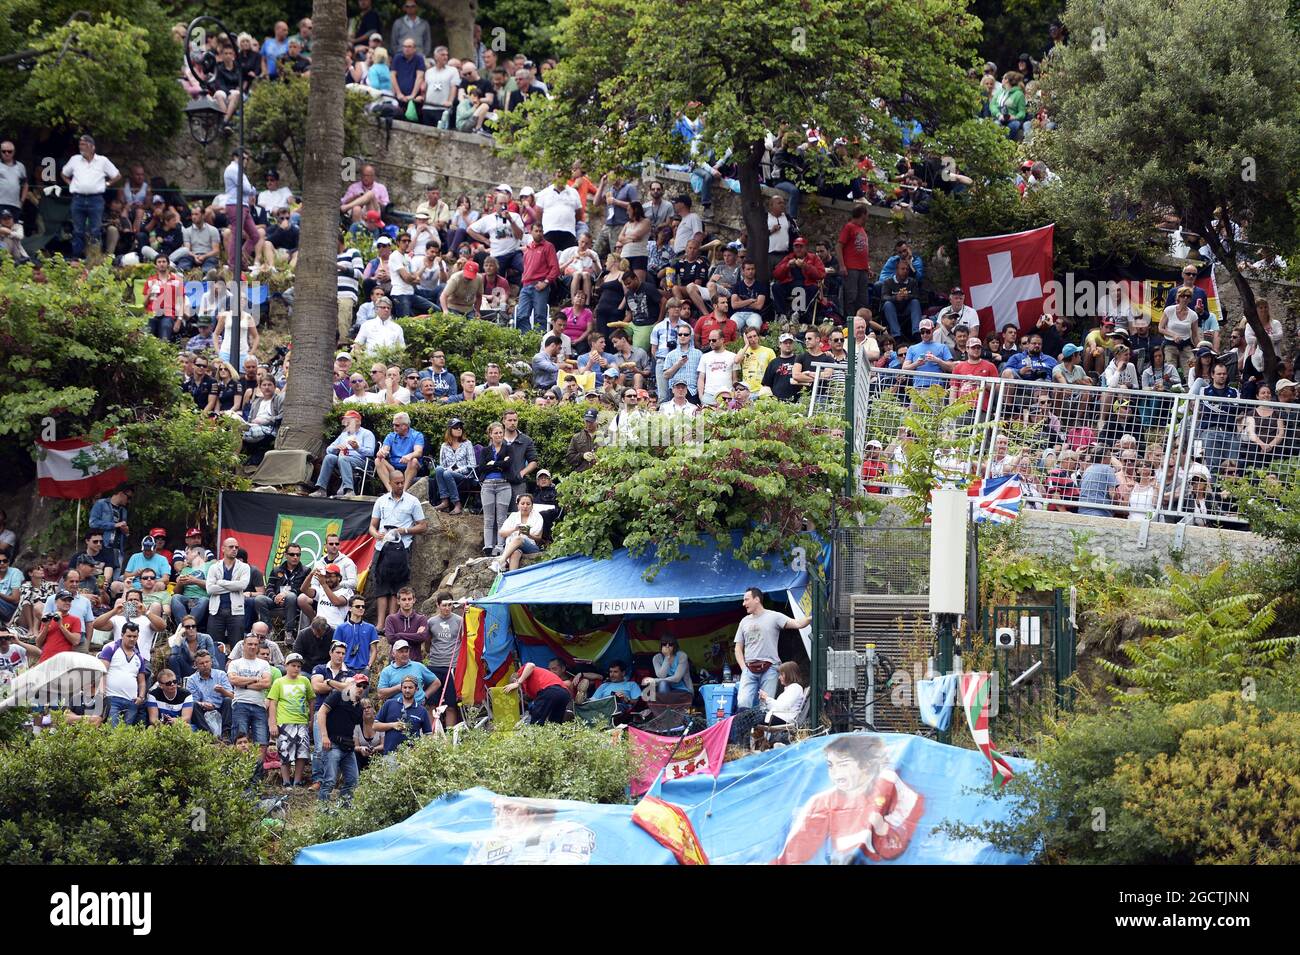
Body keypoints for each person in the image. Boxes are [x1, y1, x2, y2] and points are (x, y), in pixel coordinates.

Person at [774, 734, 925, 864]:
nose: (835, 772)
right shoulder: (822, 802)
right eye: (830, 765)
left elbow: (900, 841)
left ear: (866, 766)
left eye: (843, 764)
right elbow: (796, 850)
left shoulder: (890, 786)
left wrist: (882, 828)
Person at [734, 587, 810, 710]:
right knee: (743, 702)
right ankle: (746, 729)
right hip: (749, 668)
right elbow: (738, 648)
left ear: (757, 599)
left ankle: (764, 730)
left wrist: (813, 616)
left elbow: (798, 624)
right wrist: (744, 669)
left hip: (770, 668)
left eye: (746, 600)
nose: (743, 604)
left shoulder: (774, 616)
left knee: (766, 705)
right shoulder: (744, 622)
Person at [368, 470, 427, 626]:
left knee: (397, 586)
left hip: (402, 548)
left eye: (402, 482)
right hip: (382, 546)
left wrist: (404, 530)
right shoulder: (381, 501)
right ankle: (380, 624)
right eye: (397, 483)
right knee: (381, 585)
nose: (401, 485)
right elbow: (372, 526)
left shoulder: (412, 501)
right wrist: (376, 534)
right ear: (390, 483)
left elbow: (423, 526)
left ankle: (391, 622)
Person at [61, 135, 121, 260]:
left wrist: (107, 184)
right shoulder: (75, 159)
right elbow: (64, 173)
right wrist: (71, 184)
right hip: (78, 198)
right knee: (78, 229)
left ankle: (93, 257)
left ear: (92, 147)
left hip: (96, 199)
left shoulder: (102, 161)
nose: (80, 147)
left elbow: (117, 175)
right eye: (80, 144)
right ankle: (76, 257)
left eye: (83, 144)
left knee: (95, 229)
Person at [316, 673, 369, 802]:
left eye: (364, 686)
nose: (361, 688)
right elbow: (322, 712)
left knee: (353, 781)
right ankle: (323, 812)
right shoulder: (338, 696)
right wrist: (324, 736)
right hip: (332, 744)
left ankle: (344, 811)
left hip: (348, 747)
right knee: (329, 781)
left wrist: (359, 746)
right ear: (351, 685)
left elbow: (356, 729)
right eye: (359, 685)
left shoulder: (359, 706)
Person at [268, 654, 315, 786]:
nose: (296, 668)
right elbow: (273, 703)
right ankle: (286, 781)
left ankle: (297, 780)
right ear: (286, 666)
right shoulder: (279, 682)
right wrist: (273, 723)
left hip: (301, 721)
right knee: (285, 751)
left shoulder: (305, 681)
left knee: (302, 751)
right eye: (293, 665)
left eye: (299, 666)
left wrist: (311, 719)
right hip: (284, 720)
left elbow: (311, 700)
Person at [313, 411, 377, 499]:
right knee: (329, 457)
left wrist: (357, 448)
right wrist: (336, 448)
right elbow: (328, 450)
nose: (345, 423)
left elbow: (370, 452)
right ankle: (321, 489)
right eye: (345, 420)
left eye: (348, 420)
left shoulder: (367, 434)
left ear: (358, 421)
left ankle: (349, 491)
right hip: (343, 459)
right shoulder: (343, 435)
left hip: (361, 461)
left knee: (343, 459)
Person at [477, 422, 517, 556]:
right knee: (488, 518)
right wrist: (500, 464)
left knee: (501, 518)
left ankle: (500, 546)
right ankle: (488, 546)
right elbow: (481, 467)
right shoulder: (485, 450)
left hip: (504, 485)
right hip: (488, 485)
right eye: (496, 433)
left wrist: (493, 463)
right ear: (490, 435)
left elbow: (508, 465)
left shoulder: (509, 449)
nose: (499, 435)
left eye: (501, 432)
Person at [98, 624, 149, 726]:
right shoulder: (111, 649)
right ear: (122, 635)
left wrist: (141, 697)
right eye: (129, 636)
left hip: (132, 701)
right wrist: (102, 693)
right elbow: (102, 672)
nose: (132, 639)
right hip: (112, 698)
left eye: (135, 636)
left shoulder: (139, 657)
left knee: (125, 734)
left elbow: (142, 681)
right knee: (113, 732)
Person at [375, 674, 435, 754]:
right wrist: (392, 725)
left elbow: (428, 735)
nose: (407, 690)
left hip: (412, 757)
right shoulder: (389, 704)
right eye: (405, 687)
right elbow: (375, 726)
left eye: (410, 687)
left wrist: (421, 751)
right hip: (390, 755)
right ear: (401, 688)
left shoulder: (422, 710)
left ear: (416, 689)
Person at [503, 660, 572, 725]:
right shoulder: (529, 685)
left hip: (551, 690)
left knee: (536, 721)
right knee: (555, 723)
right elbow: (531, 699)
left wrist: (518, 683)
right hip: (564, 694)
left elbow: (531, 665)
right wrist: (519, 697)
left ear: (515, 680)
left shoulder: (522, 673)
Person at [491, 494, 544, 574]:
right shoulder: (513, 516)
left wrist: (528, 534)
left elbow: (539, 537)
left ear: (532, 506)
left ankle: (501, 560)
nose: (525, 506)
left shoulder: (537, 516)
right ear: (518, 505)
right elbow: (502, 533)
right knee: (515, 553)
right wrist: (514, 529)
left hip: (531, 547)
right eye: (522, 504)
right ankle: (512, 577)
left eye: (528, 504)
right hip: (513, 546)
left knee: (518, 538)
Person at [185, 649, 233, 737]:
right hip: (203, 710)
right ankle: (207, 734)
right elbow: (192, 700)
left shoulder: (221, 674)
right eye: (201, 663)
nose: (205, 665)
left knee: (228, 700)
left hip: (220, 709)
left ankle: (226, 734)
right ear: (196, 665)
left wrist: (222, 691)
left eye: (207, 662)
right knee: (193, 705)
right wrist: (202, 704)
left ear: (211, 662)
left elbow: (232, 696)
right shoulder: (192, 680)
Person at [335, 594, 381, 674]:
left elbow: (374, 650)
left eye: (363, 606)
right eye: (357, 606)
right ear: (350, 608)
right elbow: (335, 649)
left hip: (364, 669)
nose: (361, 608)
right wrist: (341, 665)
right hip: (345, 667)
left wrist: (368, 666)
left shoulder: (370, 628)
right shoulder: (341, 628)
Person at [641, 636, 692, 701]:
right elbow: (661, 675)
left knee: (662, 683)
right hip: (663, 688)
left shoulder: (682, 656)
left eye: (670, 644)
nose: (667, 646)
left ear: (675, 645)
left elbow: (677, 678)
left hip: (680, 687)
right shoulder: (657, 658)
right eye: (664, 644)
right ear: (661, 645)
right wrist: (667, 657)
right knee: (662, 684)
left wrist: (655, 680)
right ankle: (664, 708)